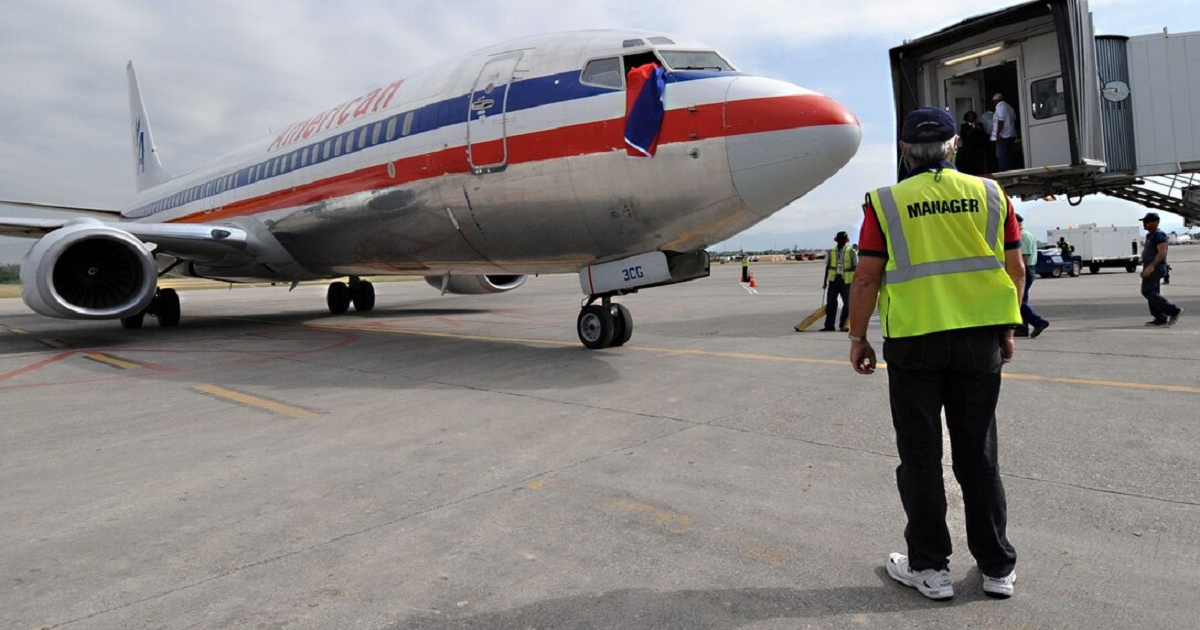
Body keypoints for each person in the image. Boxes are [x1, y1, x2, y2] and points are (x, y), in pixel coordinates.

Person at [847, 107, 1024, 601]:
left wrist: (857, 336)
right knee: (978, 456)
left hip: (915, 342)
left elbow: (866, 276)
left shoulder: (885, 202)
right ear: (954, 147)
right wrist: (1006, 328)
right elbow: (1015, 268)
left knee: (921, 458)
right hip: (978, 340)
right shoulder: (991, 193)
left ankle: (930, 568)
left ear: (904, 151)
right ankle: (996, 568)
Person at [1138, 212, 1182, 326]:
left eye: (1147, 221)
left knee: (1147, 291)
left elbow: (1162, 251)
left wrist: (1152, 266)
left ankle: (1173, 310)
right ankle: (1160, 317)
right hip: (1149, 265)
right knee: (1153, 292)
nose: (1145, 224)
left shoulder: (1159, 234)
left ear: (1155, 222)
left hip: (1156, 266)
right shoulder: (1150, 235)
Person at [1017, 214, 1050, 338]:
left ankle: (1038, 322)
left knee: (1018, 300)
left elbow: (1024, 257)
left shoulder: (1022, 236)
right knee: (1022, 299)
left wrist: (1016, 271)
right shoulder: (1027, 234)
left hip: (1024, 269)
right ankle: (1022, 328)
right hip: (1028, 269)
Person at [820, 231, 857, 331]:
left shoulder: (851, 251)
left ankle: (844, 325)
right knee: (831, 303)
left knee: (848, 303)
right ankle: (829, 326)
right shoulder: (831, 251)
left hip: (847, 282)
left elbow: (855, 267)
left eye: (843, 240)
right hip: (833, 280)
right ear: (837, 240)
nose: (841, 242)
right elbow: (828, 267)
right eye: (840, 240)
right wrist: (824, 282)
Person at [955, 111, 988, 175]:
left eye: (973, 116)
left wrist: (979, 129)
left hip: (978, 147)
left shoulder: (979, 125)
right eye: (970, 116)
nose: (971, 117)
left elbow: (983, 135)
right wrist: (972, 130)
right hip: (969, 147)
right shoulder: (964, 126)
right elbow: (963, 136)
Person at [991, 93, 1018, 171]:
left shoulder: (1000, 108)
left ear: (996, 101)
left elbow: (1000, 122)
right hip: (1011, 135)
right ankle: (1011, 171)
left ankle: (1004, 173)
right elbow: (1014, 120)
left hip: (1003, 136)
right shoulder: (1010, 107)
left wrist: (998, 134)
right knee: (1009, 155)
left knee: (1001, 156)